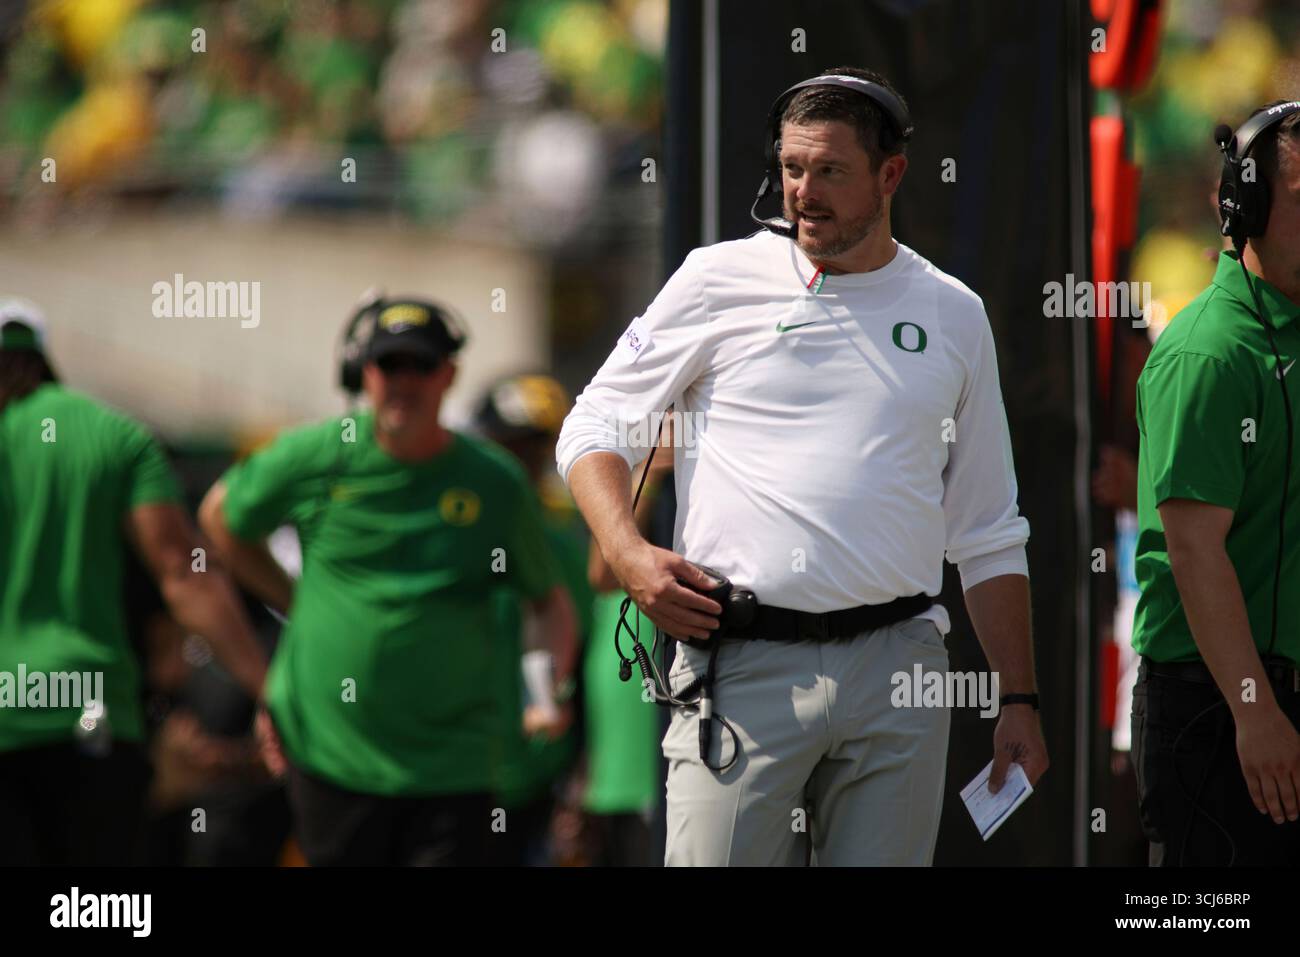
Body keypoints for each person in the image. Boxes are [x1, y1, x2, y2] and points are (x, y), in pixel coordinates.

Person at [556, 67, 1048, 866]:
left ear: (890, 175)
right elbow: (594, 422)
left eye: (829, 171)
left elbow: (989, 529)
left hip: (899, 671)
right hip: (738, 663)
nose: (803, 193)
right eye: (791, 168)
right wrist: (626, 552)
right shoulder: (715, 278)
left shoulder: (956, 314)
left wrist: (1018, 697)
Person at [199, 296, 578, 866]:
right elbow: (221, 517)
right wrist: (295, 602)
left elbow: (547, 604)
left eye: (420, 364)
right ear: (364, 373)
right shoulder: (318, 453)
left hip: (454, 765)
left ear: (448, 374)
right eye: (388, 364)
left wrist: (543, 691)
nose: (404, 381)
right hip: (332, 752)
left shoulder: (495, 482)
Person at [0, 298, 268, 865]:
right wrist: (272, 690)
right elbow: (184, 574)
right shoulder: (113, 435)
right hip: (89, 714)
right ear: (43, 360)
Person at [1131, 101, 1300, 866]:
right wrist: (1255, 710)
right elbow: (1196, 552)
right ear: (1246, 208)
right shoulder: (1207, 354)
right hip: (1221, 707)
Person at [473, 372, 592, 866]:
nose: (520, 464)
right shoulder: (452, 530)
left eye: (534, 448)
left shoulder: (564, 543)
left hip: (538, 769)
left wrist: (583, 769)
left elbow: (589, 662)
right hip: (452, 765)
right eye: (509, 446)